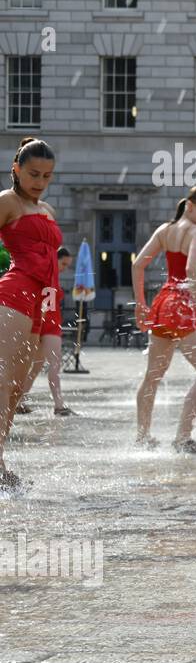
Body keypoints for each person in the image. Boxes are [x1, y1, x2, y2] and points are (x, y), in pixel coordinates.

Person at [132, 186, 196, 453]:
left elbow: (137, 264)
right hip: (183, 305)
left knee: (152, 376)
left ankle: (143, 437)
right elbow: (191, 268)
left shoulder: (165, 230)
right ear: (190, 205)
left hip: (163, 303)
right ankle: (183, 438)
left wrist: (140, 305)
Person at [0, 137, 62, 486]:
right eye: (33, 174)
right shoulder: (7, 201)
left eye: (47, 176)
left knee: (18, 387)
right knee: (3, 379)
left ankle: (0, 460)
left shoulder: (47, 210)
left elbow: (52, 264)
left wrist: (51, 307)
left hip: (42, 300)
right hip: (15, 291)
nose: (39, 182)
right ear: (16, 169)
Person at [16, 245, 75, 416]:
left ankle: (19, 401)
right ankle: (58, 405)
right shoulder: (51, 277)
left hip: (40, 323)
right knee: (55, 364)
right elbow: (47, 304)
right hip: (50, 324)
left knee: (35, 367)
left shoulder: (43, 274)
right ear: (55, 260)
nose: (65, 268)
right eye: (63, 264)